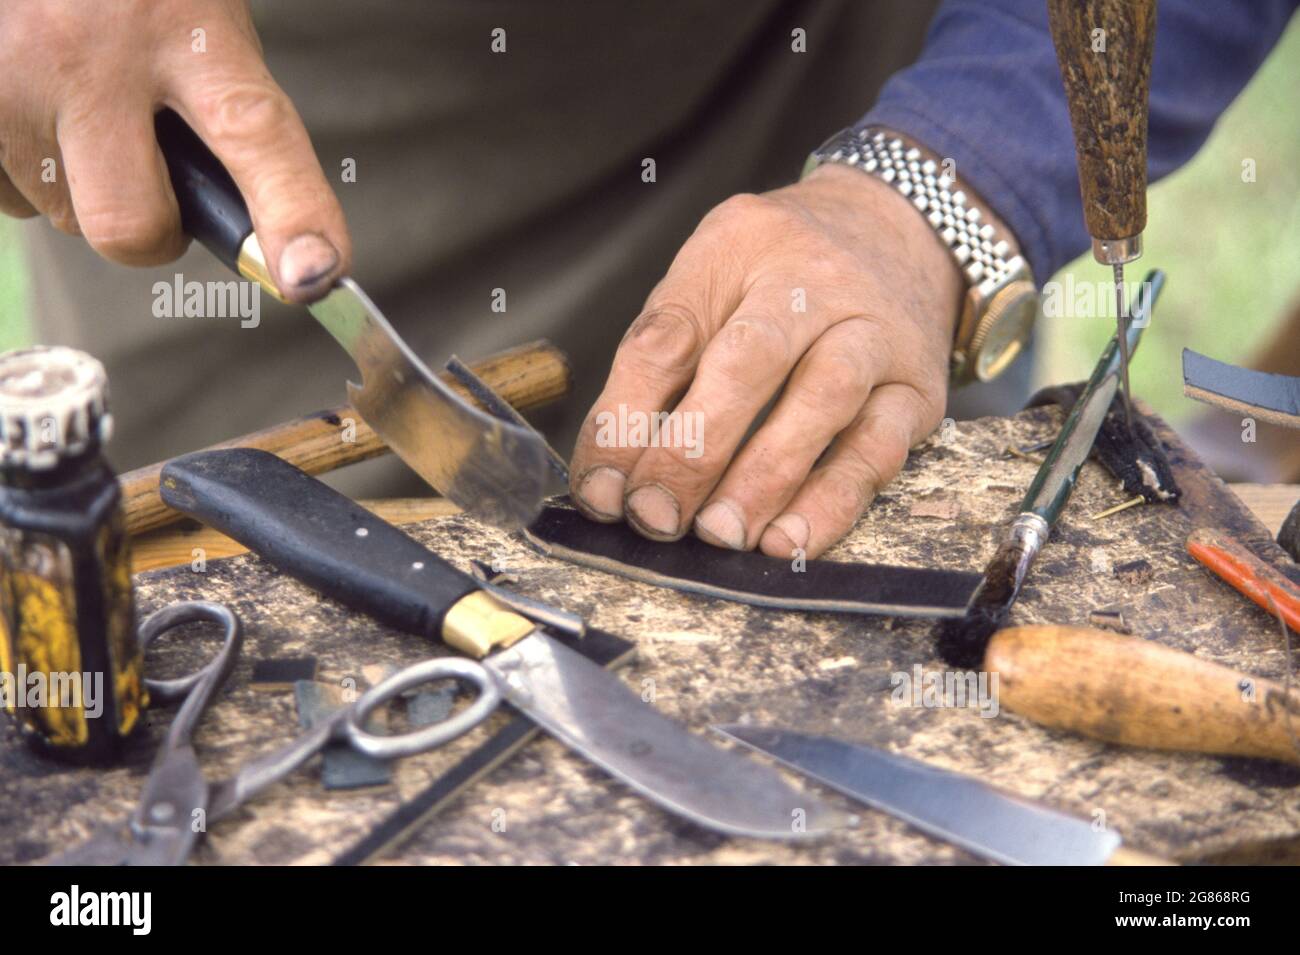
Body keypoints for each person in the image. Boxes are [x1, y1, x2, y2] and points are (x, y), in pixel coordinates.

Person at [3, 0, 1296, 560]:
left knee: (823, 542)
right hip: (296, 92)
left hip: (802, 86)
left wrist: (940, 190)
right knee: (193, 588)